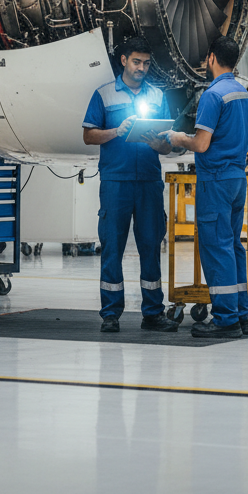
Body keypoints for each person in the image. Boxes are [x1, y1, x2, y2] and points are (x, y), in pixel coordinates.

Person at [82, 36, 179, 334]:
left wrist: (158, 142)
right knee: (113, 247)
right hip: (116, 182)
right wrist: (116, 131)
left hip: (149, 181)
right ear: (124, 60)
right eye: (136, 62)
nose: (141, 68)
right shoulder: (104, 95)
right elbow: (88, 135)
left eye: (146, 63)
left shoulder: (157, 96)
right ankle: (110, 313)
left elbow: (166, 148)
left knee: (151, 245)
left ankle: (153, 312)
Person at [162, 35, 248, 339]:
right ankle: (241, 311)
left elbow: (201, 144)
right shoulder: (241, 93)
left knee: (217, 247)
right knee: (233, 245)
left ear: (212, 57)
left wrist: (177, 138)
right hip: (237, 179)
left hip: (215, 179)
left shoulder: (213, 95)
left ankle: (226, 319)